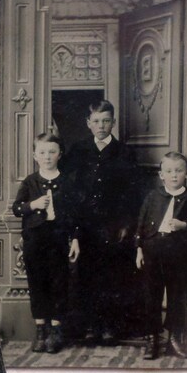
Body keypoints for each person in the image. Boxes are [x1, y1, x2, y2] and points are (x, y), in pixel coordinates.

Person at [61, 100, 142, 345]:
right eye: (96, 121)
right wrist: (74, 229)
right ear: (88, 123)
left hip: (114, 225)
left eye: (106, 120)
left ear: (113, 122)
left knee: (112, 276)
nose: (101, 126)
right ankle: (91, 326)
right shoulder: (78, 150)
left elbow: (133, 192)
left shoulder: (125, 152)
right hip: (86, 225)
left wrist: (127, 224)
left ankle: (110, 327)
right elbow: (69, 189)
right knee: (87, 276)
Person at [12, 132, 80, 354]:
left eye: (51, 152)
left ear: (59, 154)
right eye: (42, 152)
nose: (47, 156)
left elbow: (74, 214)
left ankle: (55, 331)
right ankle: (40, 330)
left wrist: (75, 239)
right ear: (35, 155)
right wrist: (33, 205)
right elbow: (16, 208)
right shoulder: (30, 182)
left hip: (58, 237)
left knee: (59, 283)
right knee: (37, 283)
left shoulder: (67, 181)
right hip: (35, 238)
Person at [135, 152, 187, 359]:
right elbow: (141, 224)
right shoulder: (153, 196)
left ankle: (175, 339)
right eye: (169, 171)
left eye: (179, 171)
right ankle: (152, 339)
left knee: (177, 296)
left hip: (178, 252)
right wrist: (139, 249)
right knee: (151, 295)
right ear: (161, 175)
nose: (174, 175)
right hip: (152, 249)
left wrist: (184, 225)